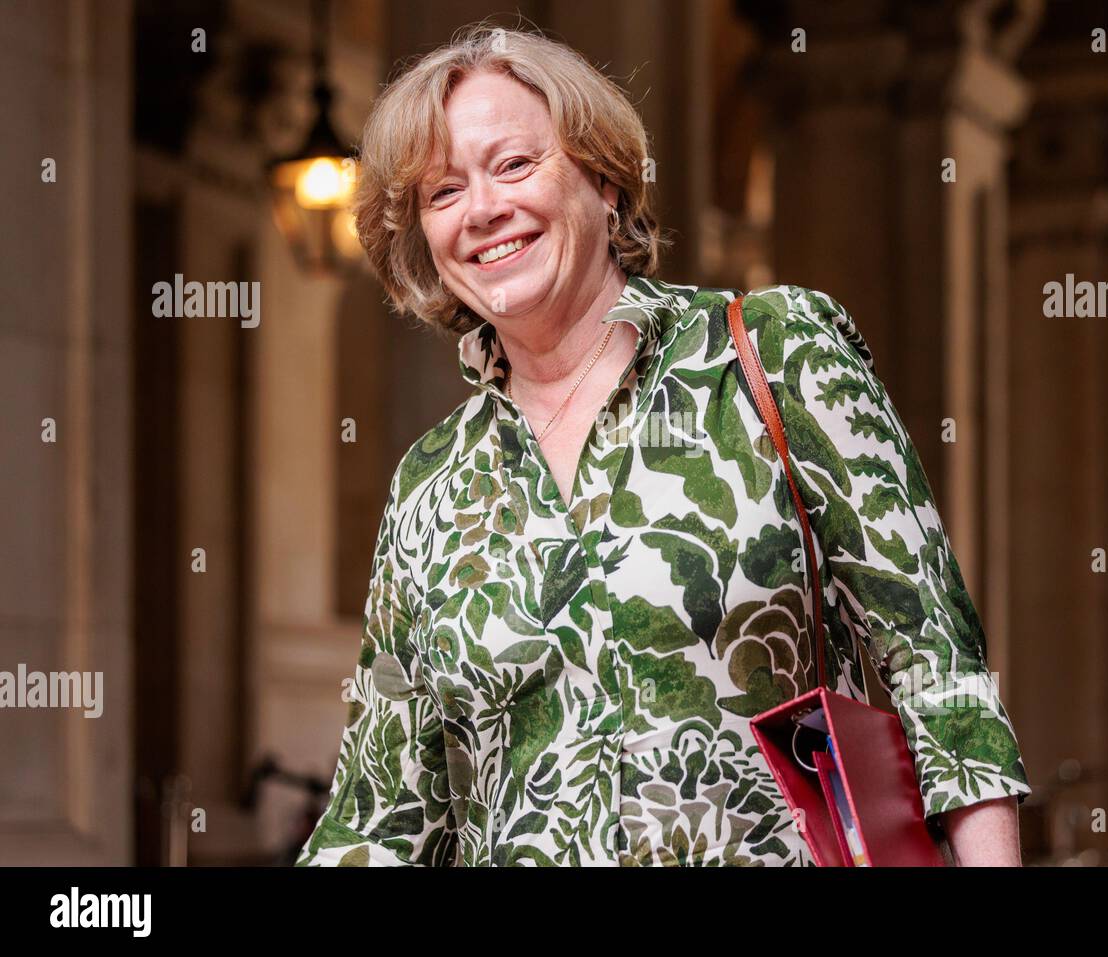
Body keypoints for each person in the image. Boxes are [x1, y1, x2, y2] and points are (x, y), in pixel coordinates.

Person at [296, 22, 1031, 867]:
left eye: (514, 165)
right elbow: (382, 815)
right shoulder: (431, 483)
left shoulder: (774, 351)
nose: (484, 209)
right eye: (441, 192)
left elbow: (937, 669)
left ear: (605, 181)